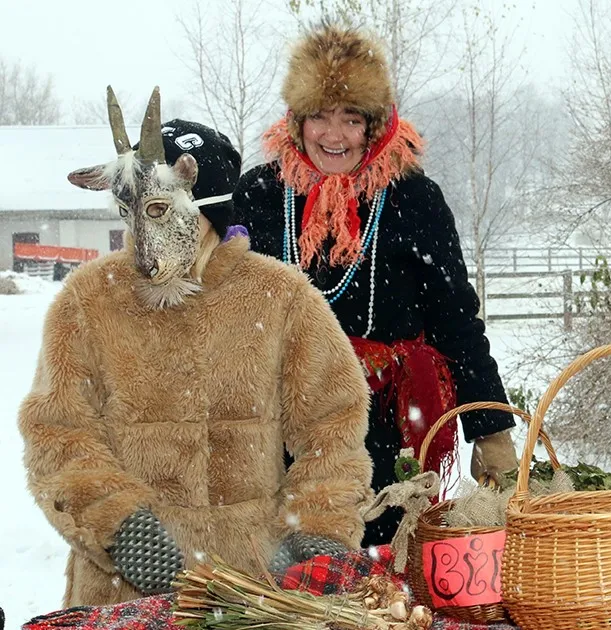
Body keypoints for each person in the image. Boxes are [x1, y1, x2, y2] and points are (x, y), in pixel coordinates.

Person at [18, 89, 374, 607]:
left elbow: (333, 430)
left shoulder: (282, 298)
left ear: (205, 203)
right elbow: (57, 432)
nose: (141, 235)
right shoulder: (88, 300)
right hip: (122, 595)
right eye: (129, 209)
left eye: (160, 209)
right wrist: (124, 529)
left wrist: (313, 536)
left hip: (256, 591)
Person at [233, 21, 520, 547]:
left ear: (376, 122)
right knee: (291, 573)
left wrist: (491, 431)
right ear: (296, 122)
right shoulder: (258, 196)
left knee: (386, 580)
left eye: (351, 118)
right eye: (319, 116)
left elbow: (457, 321)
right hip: (283, 427)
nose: (334, 135)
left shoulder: (415, 200)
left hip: (390, 433)